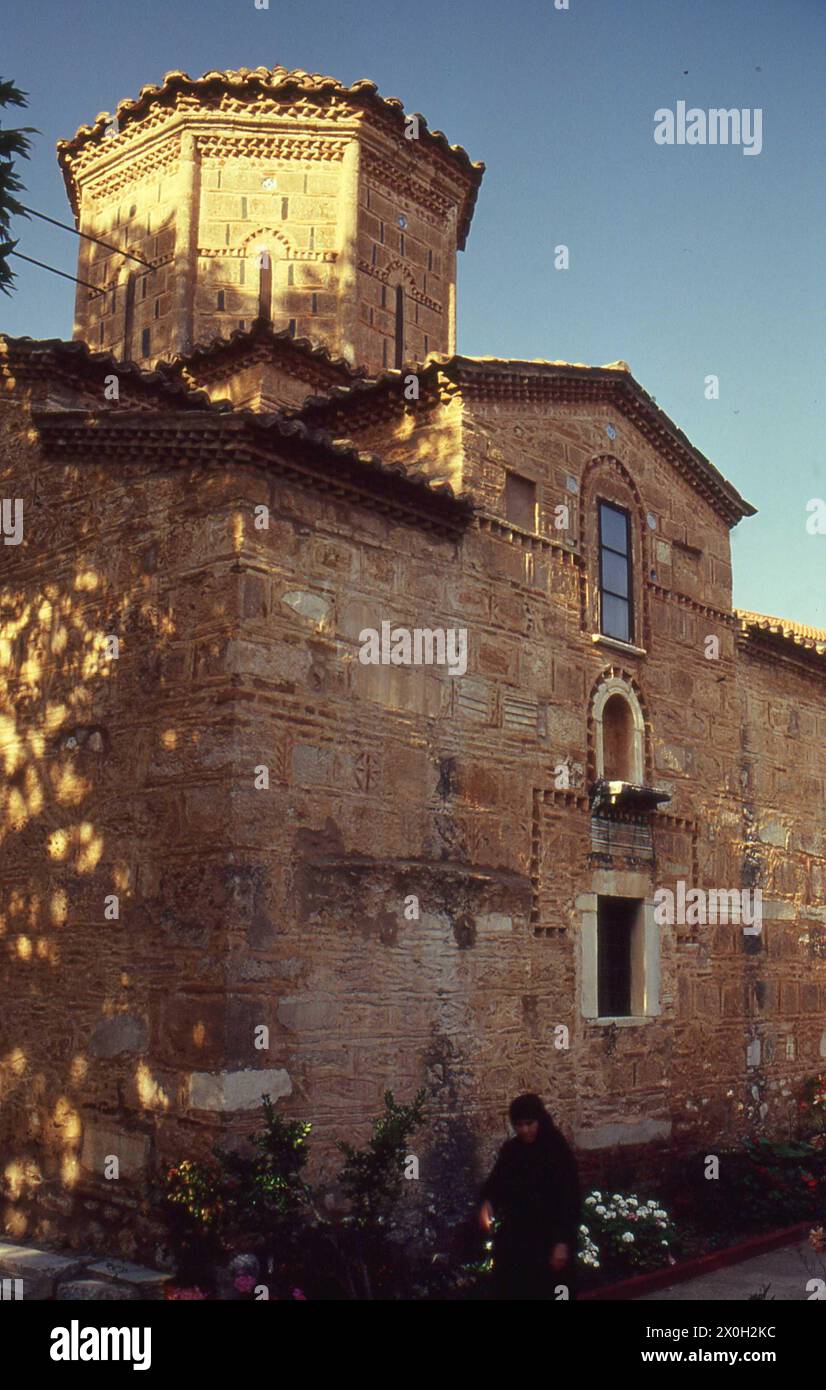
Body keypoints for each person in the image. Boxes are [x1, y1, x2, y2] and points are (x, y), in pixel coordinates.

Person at [478, 1093, 581, 1300]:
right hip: (517, 1239)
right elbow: (497, 1184)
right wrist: (488, 1203)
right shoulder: (512, 1150)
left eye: (529, 1123)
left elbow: (570, 1198)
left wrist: (562, 1242)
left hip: (549, 1239)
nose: (525, 1130)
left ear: (540, 1120)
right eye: (519, 1124)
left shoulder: (556, 1150)